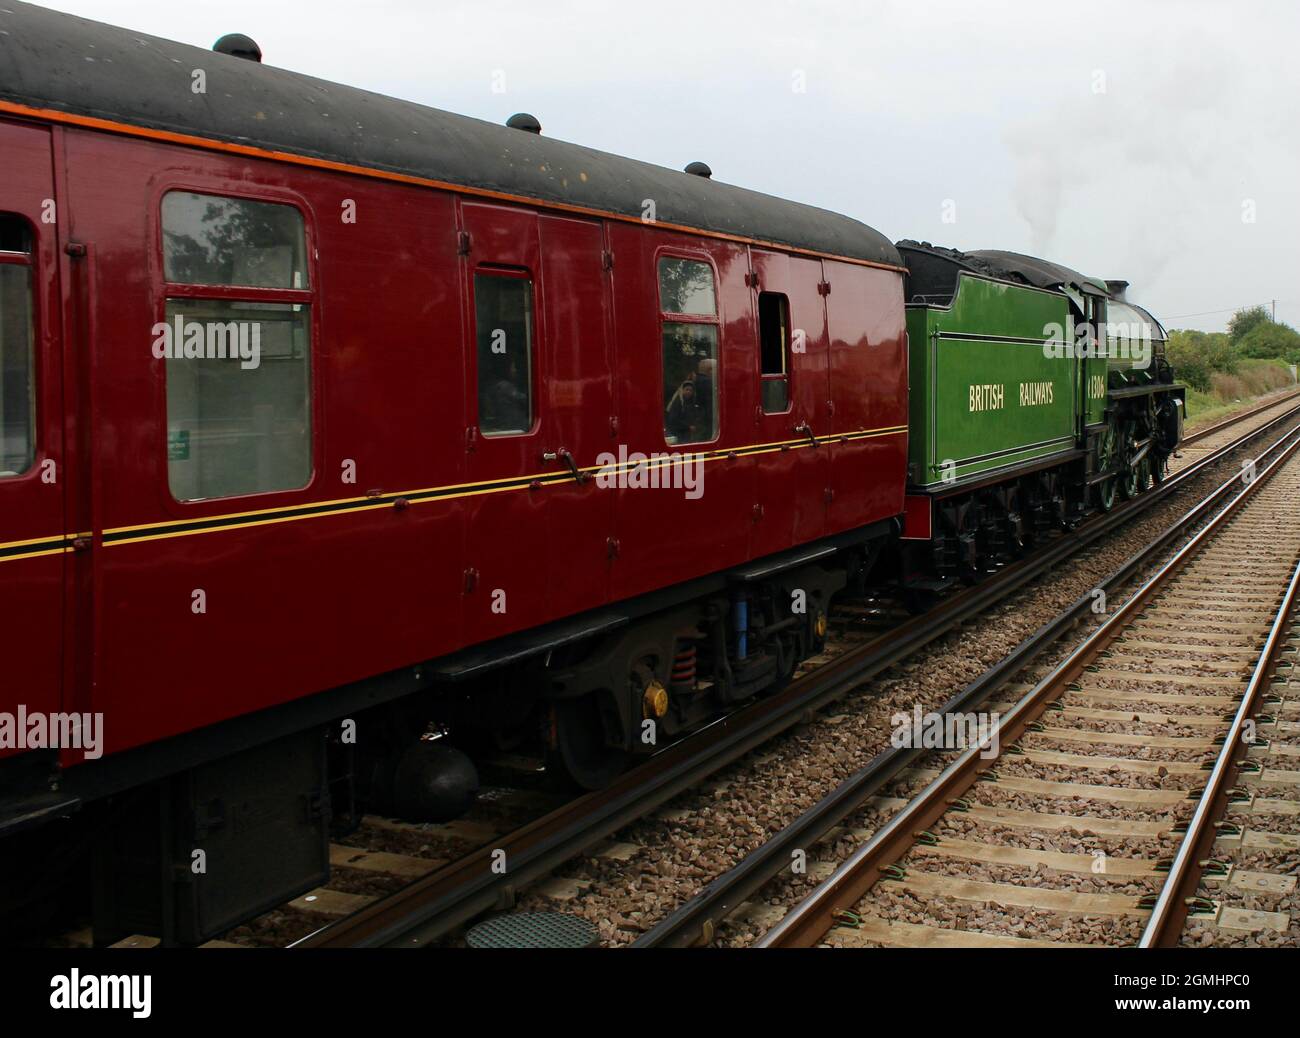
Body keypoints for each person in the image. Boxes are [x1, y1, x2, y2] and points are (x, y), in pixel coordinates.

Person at [665, 378, 704, 443]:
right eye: (686, 389)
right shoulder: (678, 403)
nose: (688, 392)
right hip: (678, 434)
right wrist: (687, 427)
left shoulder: (693, 403)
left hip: (689, 434)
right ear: (682, 390)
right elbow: (673, 420)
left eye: (690, 390)